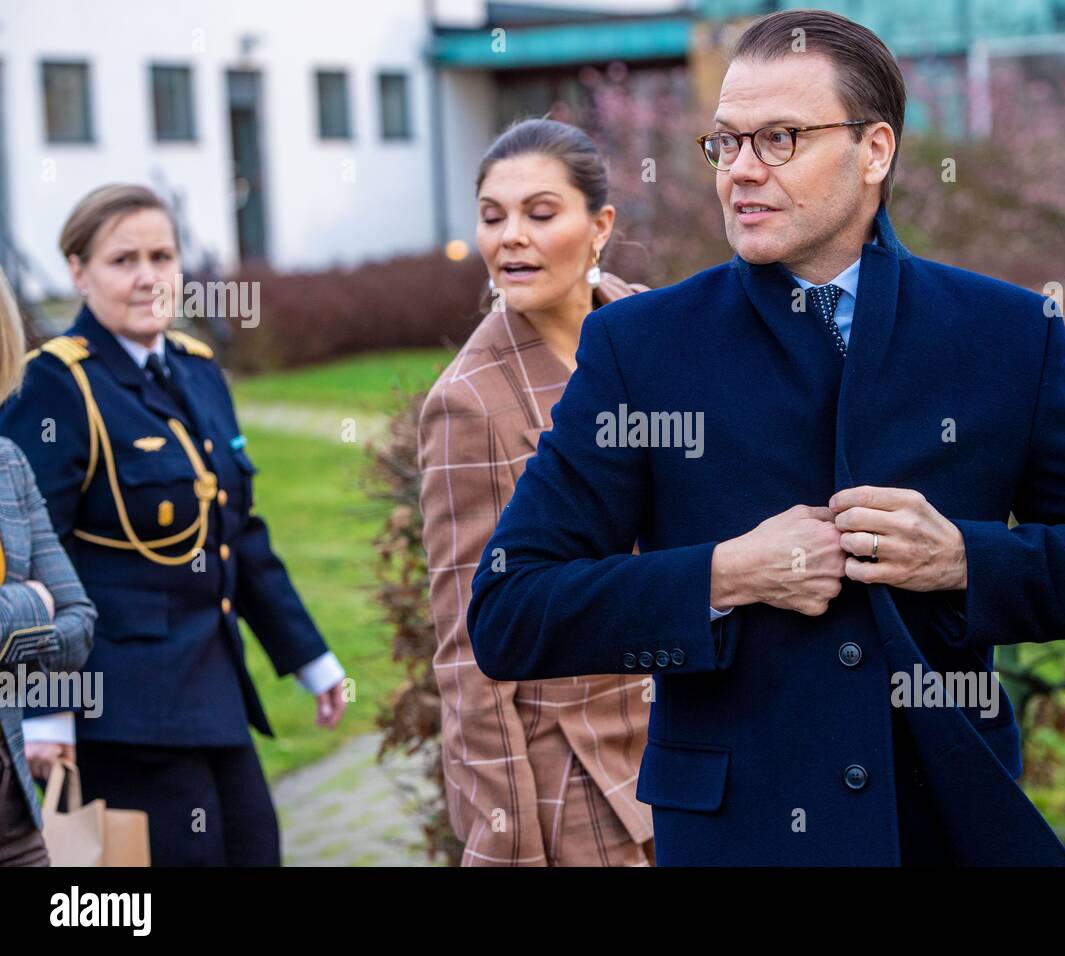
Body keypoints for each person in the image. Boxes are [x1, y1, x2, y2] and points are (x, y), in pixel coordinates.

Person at [467, 10, 1065, 866]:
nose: (741, 170)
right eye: (726, 143)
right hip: (739, 843)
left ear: (875, 151)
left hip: (948, 834)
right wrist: (723, 576)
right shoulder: (643, 347)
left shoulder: (1005, 334)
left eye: (779, 138)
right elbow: (508, 612)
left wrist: (964, 559)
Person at [0, 184, 348, 866]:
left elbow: (237, 531)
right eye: (122, 259)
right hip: (121, 710)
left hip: (212, 689)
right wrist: (45, 709)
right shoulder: (56, 385)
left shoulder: (195, 369)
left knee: (255, 849)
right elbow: (29, 557)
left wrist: (310, 658)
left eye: (162, 255)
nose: (148, 276)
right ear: (78, 271)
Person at [418, 118, 657, 866]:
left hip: (697, 744)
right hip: (582, 783)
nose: (510, 236)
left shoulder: (653, 328)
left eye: (540, 213)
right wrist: (506, 841)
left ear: (600, 227)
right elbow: (470, 653)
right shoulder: (469, 404)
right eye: (493, 217)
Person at [0, 270, 96, 866]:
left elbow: (81, 625)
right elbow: (54, 609)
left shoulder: (7, 463)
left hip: (14, 820)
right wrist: (33, 604)